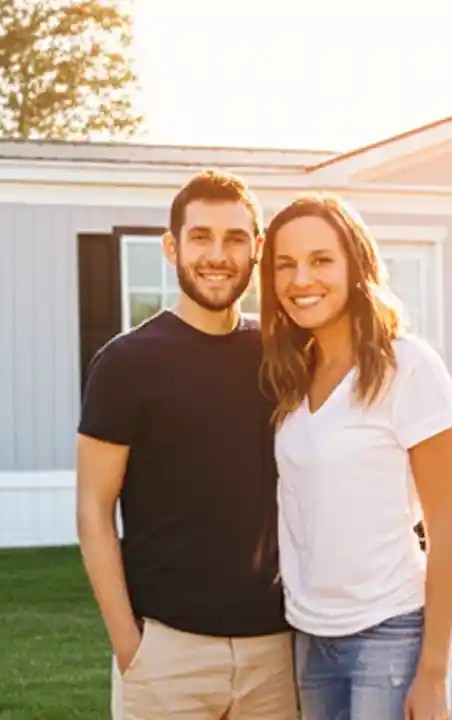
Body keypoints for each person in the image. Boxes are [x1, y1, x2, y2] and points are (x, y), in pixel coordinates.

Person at [76, 169, 296, 719]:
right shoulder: (125, 364)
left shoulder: (283, 356)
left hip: (276, 650)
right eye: (200, 237)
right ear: (172, 248)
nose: (217, 255)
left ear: (258, 249)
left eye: (235, 238)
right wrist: (130, 645)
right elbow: (93, 510)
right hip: (167, 652)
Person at [258, 193, 452, 720]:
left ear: (356, 266)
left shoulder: (409, 367)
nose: (301, 279)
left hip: (392, 631)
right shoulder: (291, 376)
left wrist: (434, 673)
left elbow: (447, 529)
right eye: (286, 265)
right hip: (309, 633)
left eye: (321, 260)